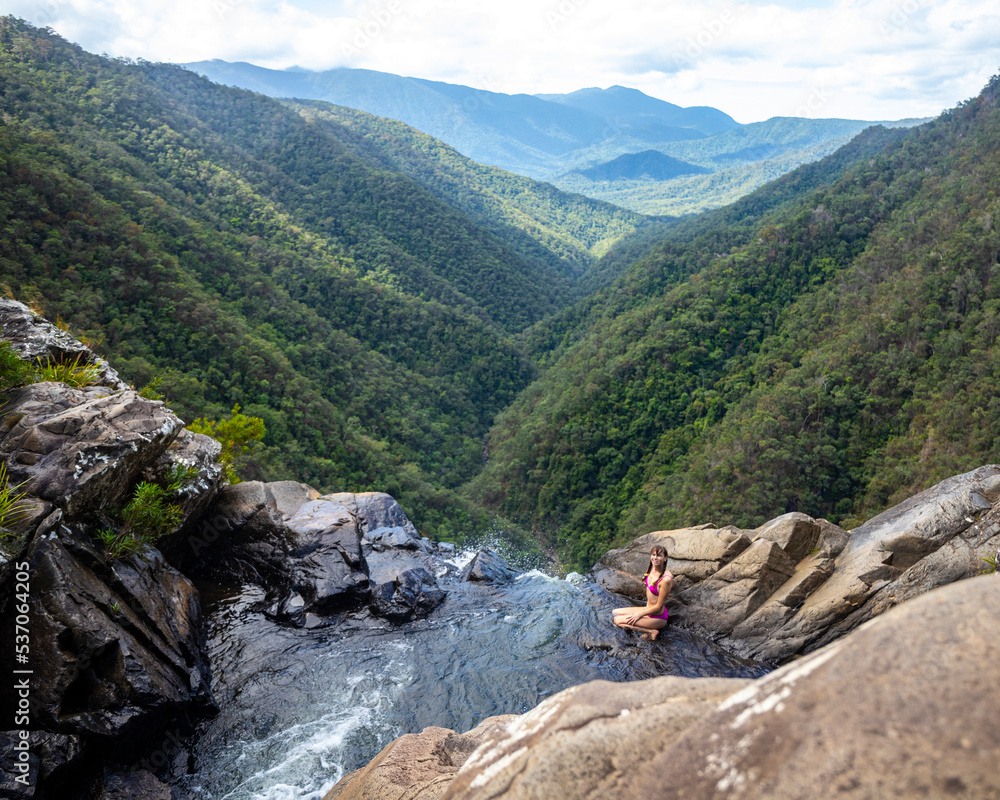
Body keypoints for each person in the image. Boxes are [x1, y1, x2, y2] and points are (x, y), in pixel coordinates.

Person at [613, 544, 672, 641]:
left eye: (659, 555)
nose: (655, 558)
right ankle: (648, 628)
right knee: (615, 612)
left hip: (657, 616)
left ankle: (651, 631)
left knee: (617, 621)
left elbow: (658, 607)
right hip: (647, 609)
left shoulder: (666, 579)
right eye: (653, 555)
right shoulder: (653, 568)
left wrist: (639, 614)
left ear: (665, 558)